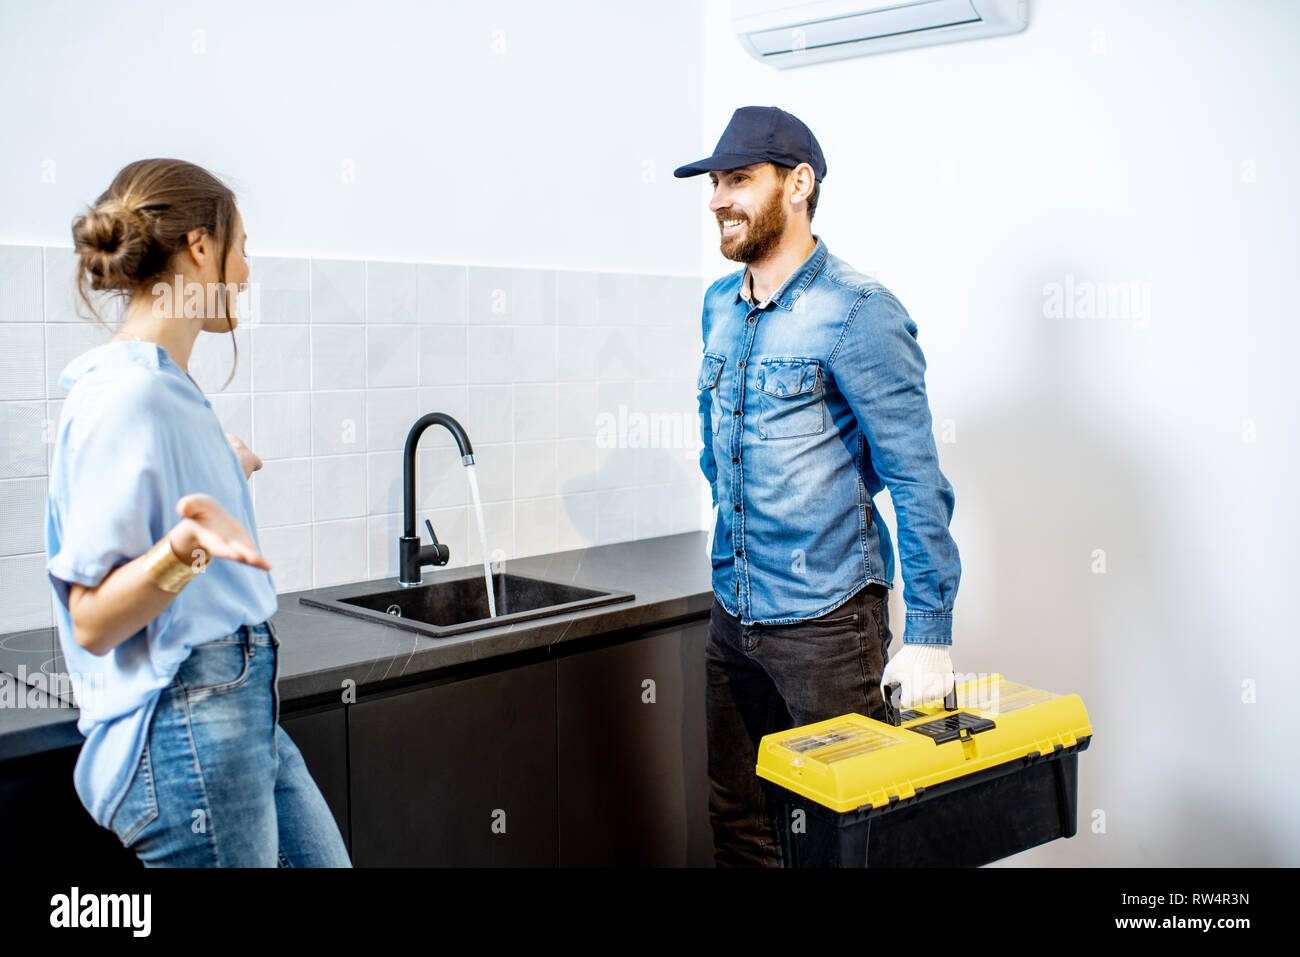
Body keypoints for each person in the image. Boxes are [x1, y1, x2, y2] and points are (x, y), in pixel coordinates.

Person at [676, 107, 962, 867]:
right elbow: (716, 447)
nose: (716, 198)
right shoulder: (716, 305)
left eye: (738, 179)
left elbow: (916, 479)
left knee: (852, 842)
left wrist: (932, 630)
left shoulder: (860, 312)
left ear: (798, 184)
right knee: (741, 826)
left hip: (829, 625)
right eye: (713, 182)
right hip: (734, 616)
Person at [44, 158, 351, 867]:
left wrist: (221, 464)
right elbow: (91, 619)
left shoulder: (165, 390)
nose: (244, 273)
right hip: (186, 723)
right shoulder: (125, 395)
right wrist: (187, 553)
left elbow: (167, 507)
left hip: (237, 708)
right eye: (241, 248)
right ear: (200, 248)